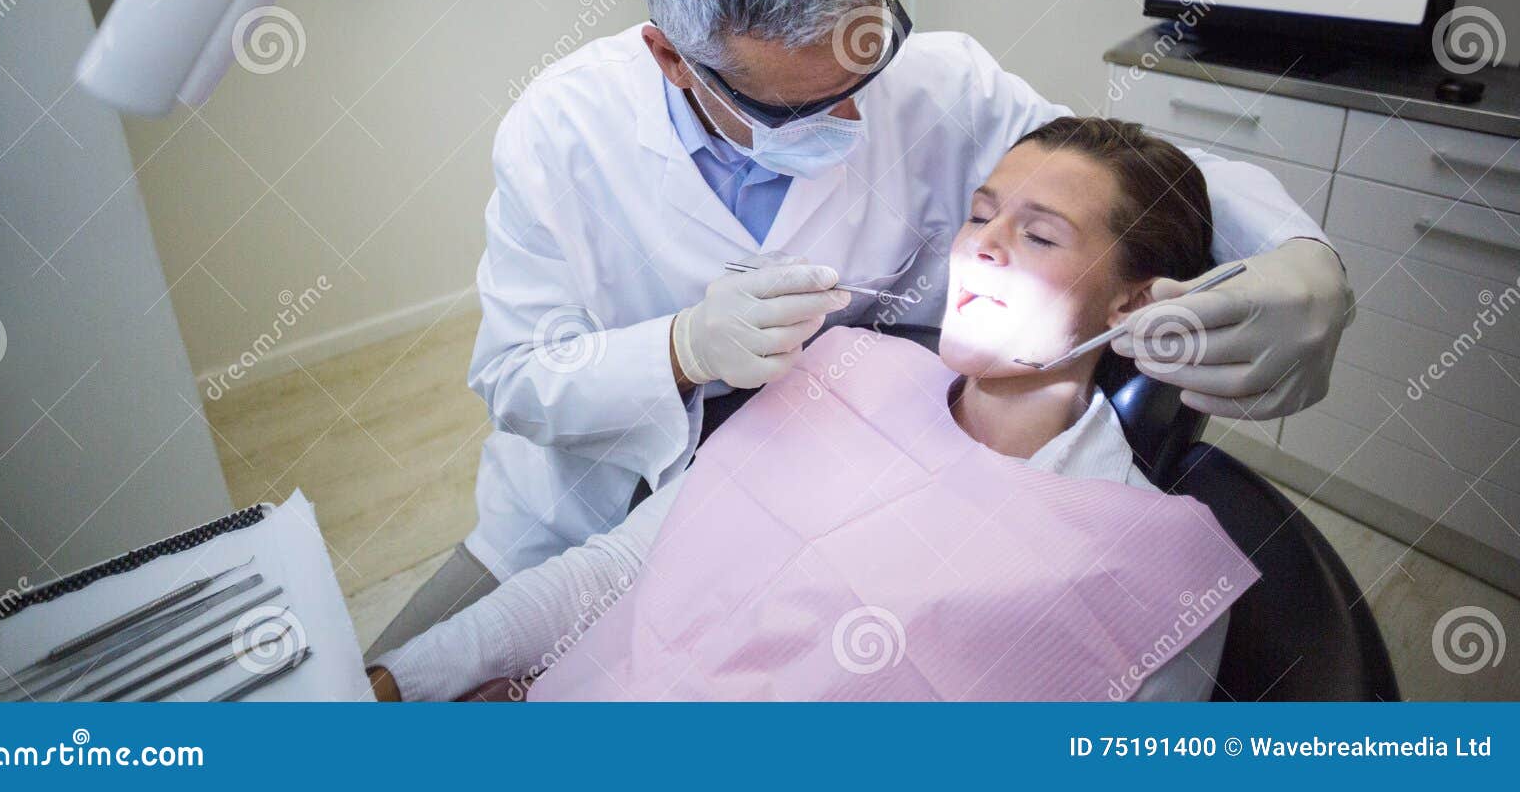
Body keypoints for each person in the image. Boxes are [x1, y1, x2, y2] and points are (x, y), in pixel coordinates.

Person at [365, 0, 1352, 662]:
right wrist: (677, 350)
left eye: (865, 60)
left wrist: (1306, 257)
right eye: (799, 99)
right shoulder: (562, 132)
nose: (850, 110)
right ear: (672, 56)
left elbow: (1132, 175)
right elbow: (517, 376)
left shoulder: (942, 85)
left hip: (838, 520)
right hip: (586, 512)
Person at [368, 118, 1256, 701]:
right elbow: (608, 574)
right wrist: (403, 679)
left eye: (1039, 232)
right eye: (980, 215)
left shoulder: (1145, 569)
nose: (980, 249)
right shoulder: (846, 374)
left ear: (1133, 306)